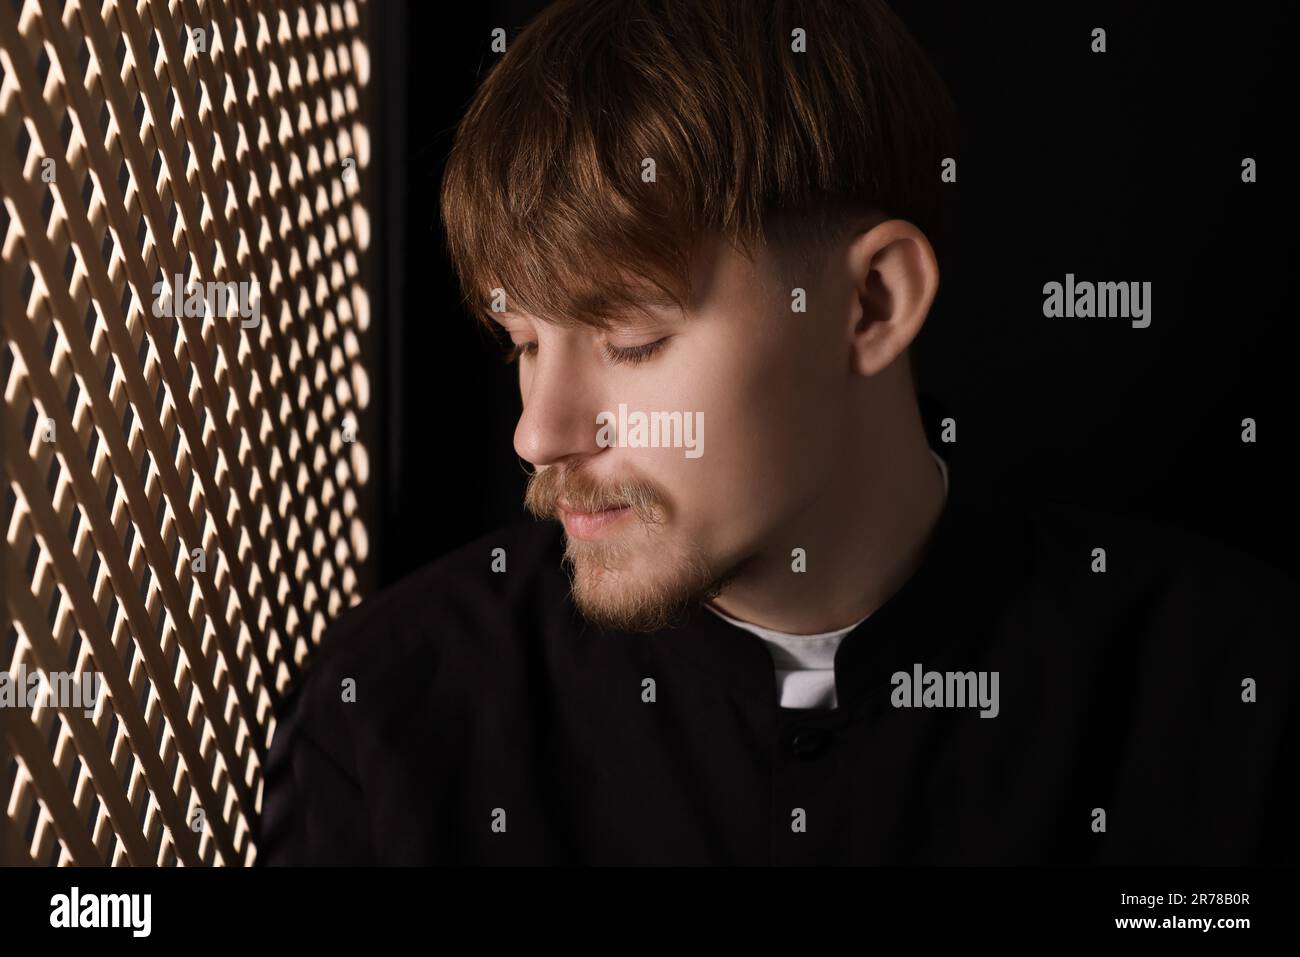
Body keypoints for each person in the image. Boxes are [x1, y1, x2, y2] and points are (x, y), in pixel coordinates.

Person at [256, 0, 1295, 865]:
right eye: (523, 341)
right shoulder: (388, 718)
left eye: (632, 338)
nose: (538, 433)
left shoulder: (1222, 698)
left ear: (872, 305)